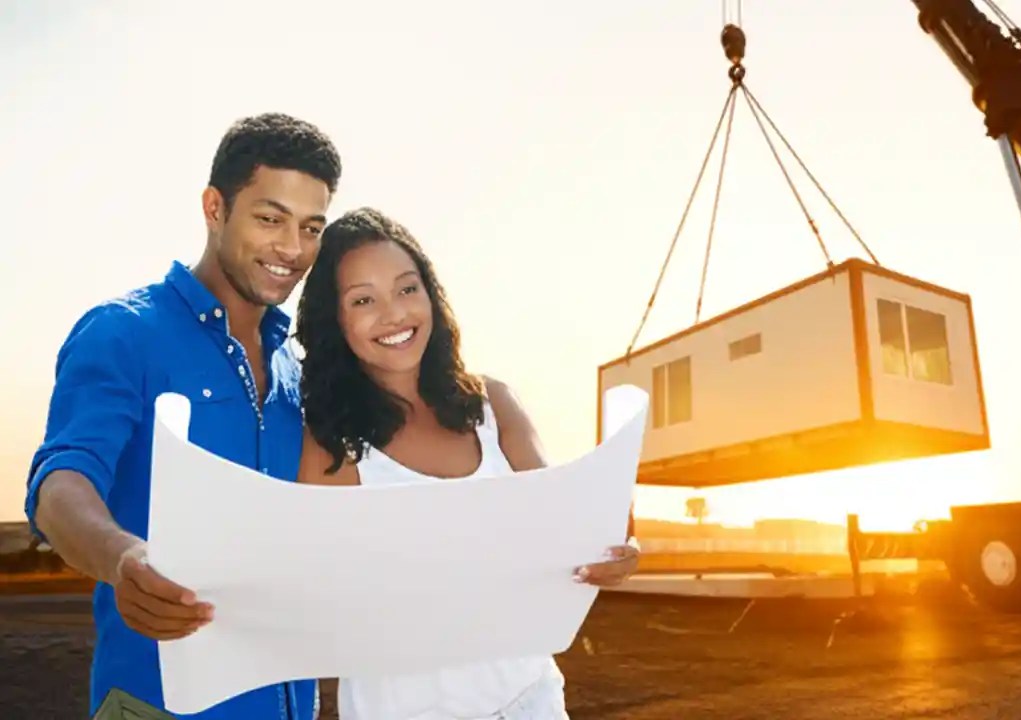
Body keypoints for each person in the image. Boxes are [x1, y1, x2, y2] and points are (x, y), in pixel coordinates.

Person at [24, 112, 343, 719]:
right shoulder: (123, 333)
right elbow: (61, 481)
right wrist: (122, 557)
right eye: (270, 219)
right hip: (156, 707)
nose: (292, 249)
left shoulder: (298, 369)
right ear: (215, 207)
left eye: (310, 227)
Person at [293, 207, 641, 719]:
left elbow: (563, 516)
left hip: (530, 701)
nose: (394, 314)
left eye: (407, 289)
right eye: (364, 300)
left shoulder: (493, 405)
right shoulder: (330, 441)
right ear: (335, 321)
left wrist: (616, 540)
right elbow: (324, 597)